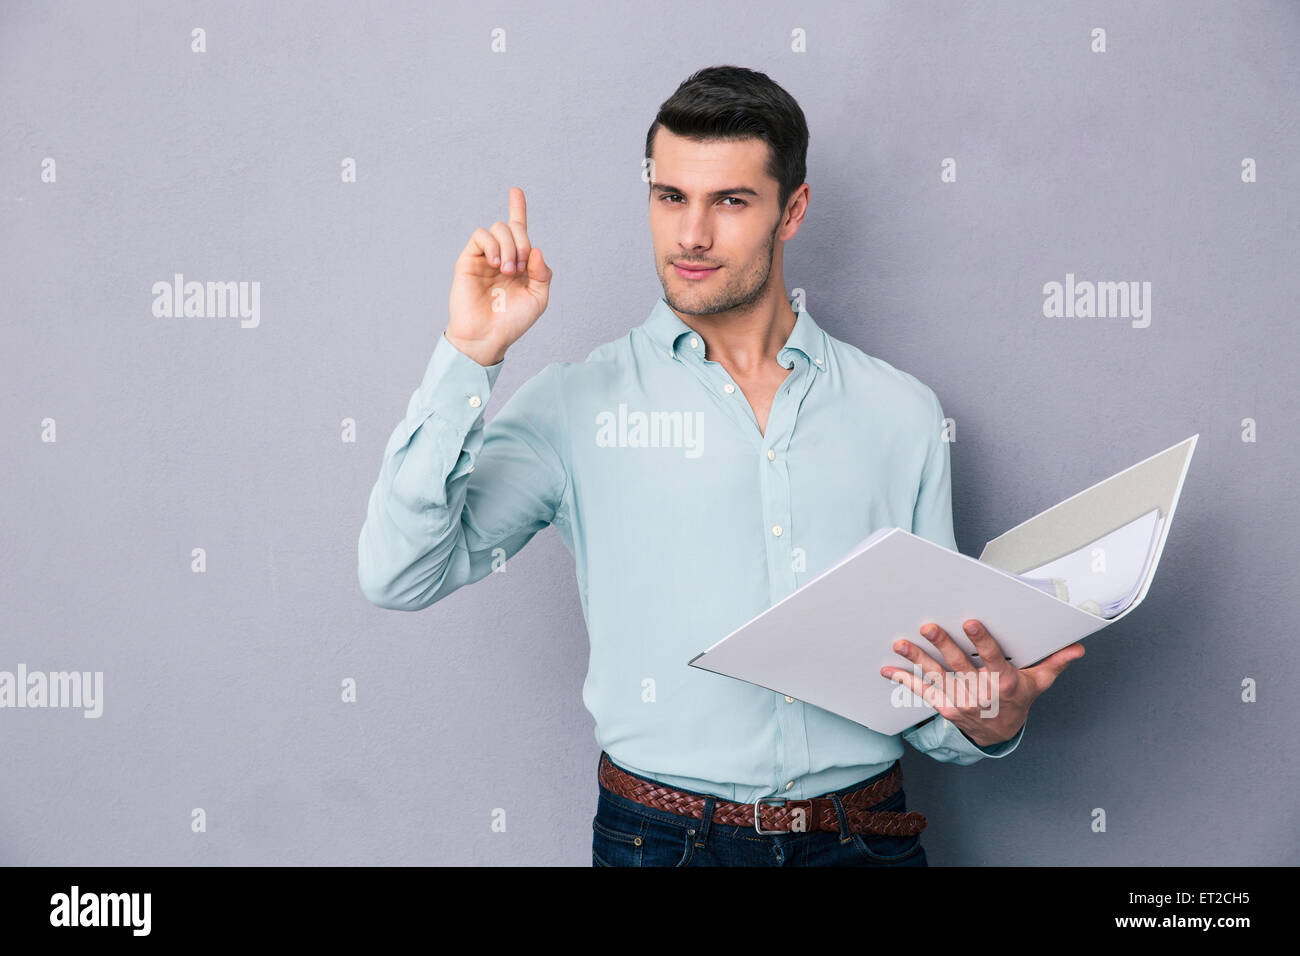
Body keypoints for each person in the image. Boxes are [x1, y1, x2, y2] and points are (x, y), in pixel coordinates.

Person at [357, 64, 1084, 867]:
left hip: (864, 841)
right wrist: (470, 355)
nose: (691, 236)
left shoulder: (902, 413)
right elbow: (399, 575)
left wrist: (987, 721)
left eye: (729, 202)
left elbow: (926, 690)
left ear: (792, 210)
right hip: (662, 844)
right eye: (670, 198)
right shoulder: (572, 405)